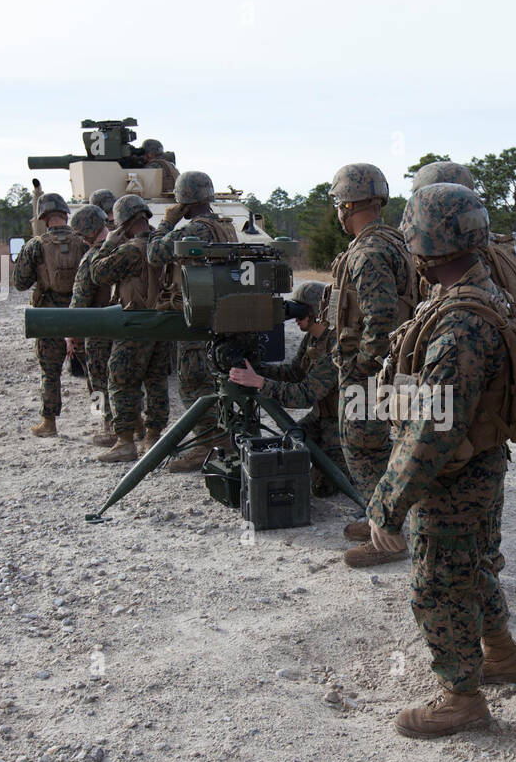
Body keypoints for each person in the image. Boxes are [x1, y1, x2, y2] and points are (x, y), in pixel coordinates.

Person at [367, 183, 516, 737]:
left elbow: (433, 428)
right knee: (474, 565)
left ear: (425, 244)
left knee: (436, 583)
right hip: (480, 463)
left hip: (453, 475)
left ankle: (462, 697)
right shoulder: (482, 291)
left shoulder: (459, 322)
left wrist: (388, 503)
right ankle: (503, 654)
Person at [326, 162, 416, 568]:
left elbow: (380, 317)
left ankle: (387, 536)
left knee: (362, 448)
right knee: (385, 447)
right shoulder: (396, 242)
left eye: (338, 204)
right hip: (394, 367)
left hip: (371, 373)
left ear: (348, 205)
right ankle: (379, 518)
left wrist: (363, 366)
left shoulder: (368, 251)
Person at [145, 170, 241, 472]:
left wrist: (167, 222)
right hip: (223, 316)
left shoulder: (195, 229)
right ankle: (222, 440)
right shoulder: (225, 226)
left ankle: (208, 444)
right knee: (215, 382)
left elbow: (154, 254)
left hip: (199, 317)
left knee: (192, 385)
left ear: (183, 201)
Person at [228, 281, 349, 497]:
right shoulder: (312, 338)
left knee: (323, 488)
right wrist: (257, 370)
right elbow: (294, 373)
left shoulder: (336, 346)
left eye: (301, 311)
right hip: (321, 417)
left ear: (317, 312)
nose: (296, 318)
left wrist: (260, 383)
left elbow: (305, 395)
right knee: (288, 443)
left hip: (342, 425)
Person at [89, 194, 170, 463]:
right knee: (156, 381)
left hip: (135, 322)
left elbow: (97, 274)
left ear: (123, 223)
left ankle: (125, 442)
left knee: (120, 380)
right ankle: (153, 437)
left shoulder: (131, 250)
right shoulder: (162, 245)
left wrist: (108, 245)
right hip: (163, 324)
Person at [13, 192, 87, 437]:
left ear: (43, 218)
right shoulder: (83, 242)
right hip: (82, 316)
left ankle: (49, 423)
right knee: (94, 373)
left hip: (49, 317)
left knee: (50, 372)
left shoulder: (35, 245)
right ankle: (104, 422)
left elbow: (20, 283)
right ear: (66, 214)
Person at [69, 204, 116, 447]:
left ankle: (106, 426)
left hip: (98, 329)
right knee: (125, 380)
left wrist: (71, 333)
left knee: (98, 381)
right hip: (127, 325)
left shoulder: (91, 258)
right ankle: (134, 425)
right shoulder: (123, 248)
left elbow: (80, 301)